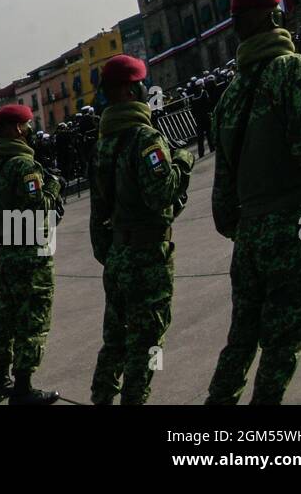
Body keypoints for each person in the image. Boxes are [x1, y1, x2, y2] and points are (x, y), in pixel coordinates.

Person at [206, 0, 301, 405]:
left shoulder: (228, 97)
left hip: (248, 238)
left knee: (241, 338)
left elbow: (223, 204)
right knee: (282, 343)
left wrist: (251, 229)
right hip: (293, 225)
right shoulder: (294, 69)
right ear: (275, 16)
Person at [88, 55, 192, 404]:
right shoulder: (145, 138)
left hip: (118, 254)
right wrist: (181, 164)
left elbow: (97, 213)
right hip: (147, 256)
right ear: (134, 89)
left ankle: (101, 398)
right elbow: (161, 192)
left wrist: (114, 251)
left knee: (115, 340)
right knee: (150, 343)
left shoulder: (103, 143)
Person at [0, 103, 60, 405]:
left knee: (6, 319)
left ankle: (1, 381)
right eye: (27, 126)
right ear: (17, 129)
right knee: (33, 319)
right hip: (30, 254)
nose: (30, 131)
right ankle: (24, 388)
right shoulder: (25, 166)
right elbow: (38, 209)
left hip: (8, 254)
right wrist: (52, 189)